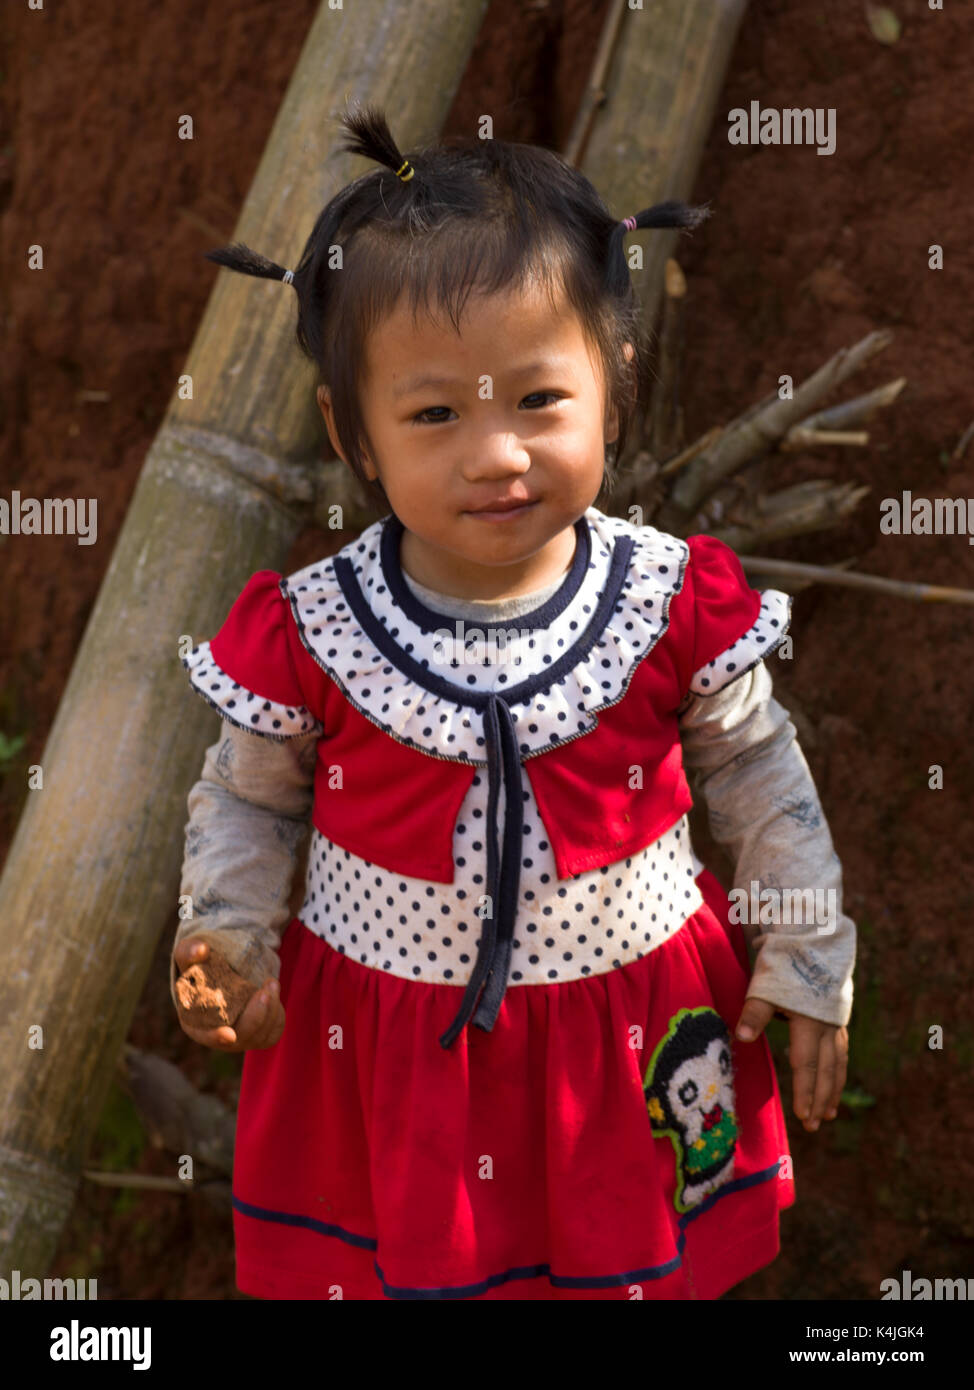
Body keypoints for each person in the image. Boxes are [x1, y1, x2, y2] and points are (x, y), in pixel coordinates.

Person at [171, 104, 854, 1301]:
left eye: (537, 400)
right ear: (353, 430)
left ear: (612, 380)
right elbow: (250, 795)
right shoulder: (310, 630)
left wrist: (803, 949)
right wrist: (224, 929)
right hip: (392, 1060)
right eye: (435, 414)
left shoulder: (669, 600)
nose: (495, 454)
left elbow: (758, 777)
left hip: (626, 1042)